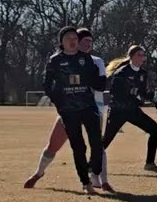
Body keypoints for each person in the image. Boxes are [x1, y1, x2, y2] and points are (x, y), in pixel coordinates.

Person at [24, 28, 111, 190]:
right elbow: (50, 85)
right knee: (54, 145)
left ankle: (100, 180)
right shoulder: (57, 60)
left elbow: (99, 85)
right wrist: (60, 103)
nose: (87, 44)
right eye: (84, 40)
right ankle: (39, 173)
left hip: (91, 108)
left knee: (97, 145)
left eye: (90, 42)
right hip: (68, 110)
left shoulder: (94, 60)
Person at [103, 45, 157, 172]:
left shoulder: (143, 73)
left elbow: (141, 92)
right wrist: (131, 91)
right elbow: (114, 91)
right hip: (118, 110)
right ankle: (91, 165)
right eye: (139, 55)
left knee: (155, 130)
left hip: (132, 110)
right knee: (106, 139)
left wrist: (150, 96)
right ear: (131, 57)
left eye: (143, 55)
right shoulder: (122, 72)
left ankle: (150, 163)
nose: (142, 58)